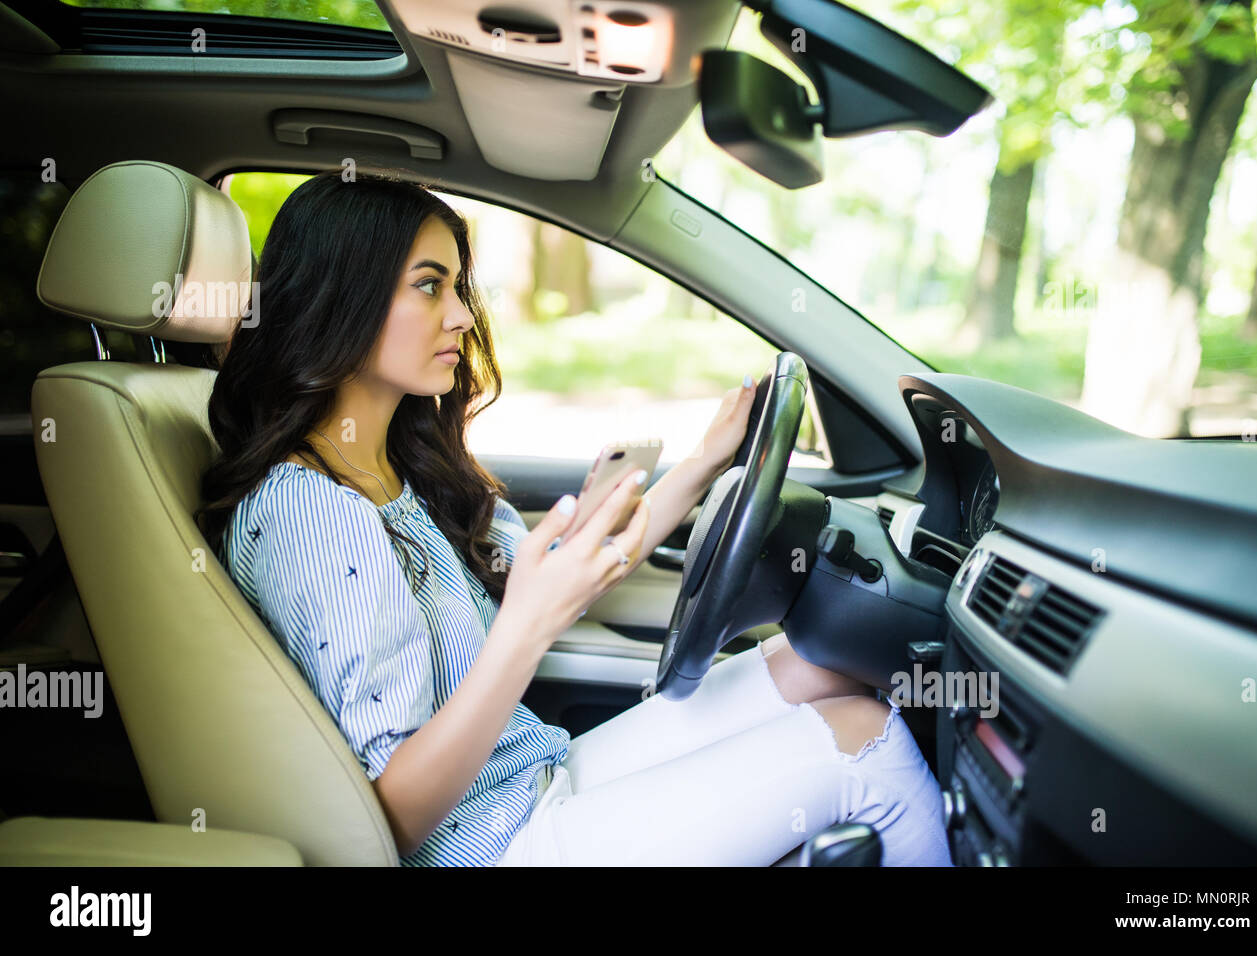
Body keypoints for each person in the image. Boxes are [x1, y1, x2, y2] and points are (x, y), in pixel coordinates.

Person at [198, 171, 952, 867]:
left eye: (458, 287)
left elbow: (569, 585)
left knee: (817, 664)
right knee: (866, 741)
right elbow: (390, 817)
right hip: (495, 847)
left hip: (535, 776)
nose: (462, 315)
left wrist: (702, 463)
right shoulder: (309, 508)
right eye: (430, 287)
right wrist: (526, 625)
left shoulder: (400, 468)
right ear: (341, 297)